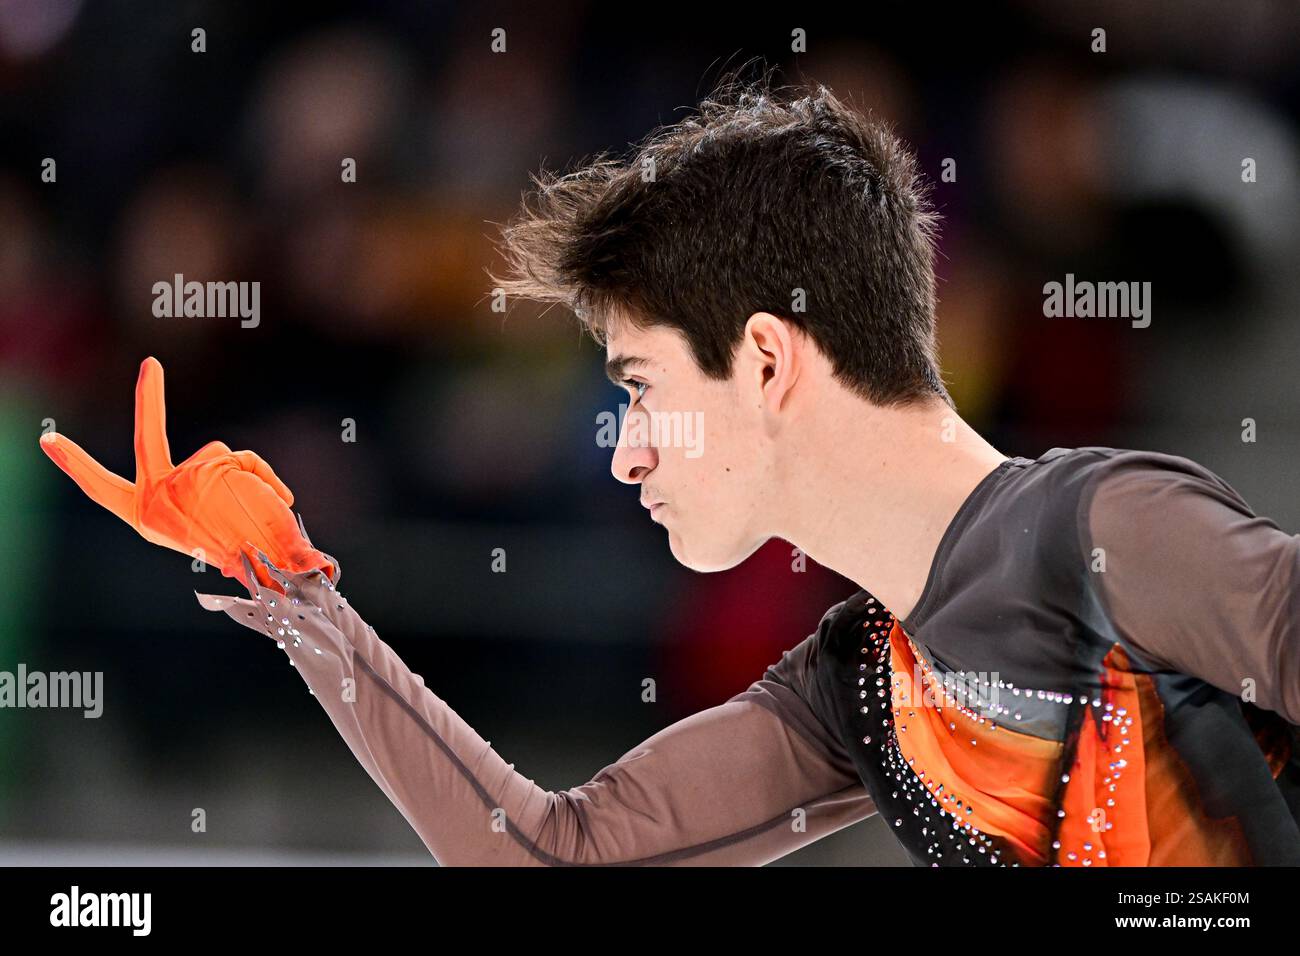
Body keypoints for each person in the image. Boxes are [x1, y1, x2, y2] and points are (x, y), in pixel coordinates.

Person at [40, 79, 1300, 866]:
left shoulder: (1109, 532)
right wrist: (302, 602)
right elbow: (556, 858)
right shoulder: (863, 682)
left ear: (763, 357)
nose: (624, 443)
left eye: (639, 386)